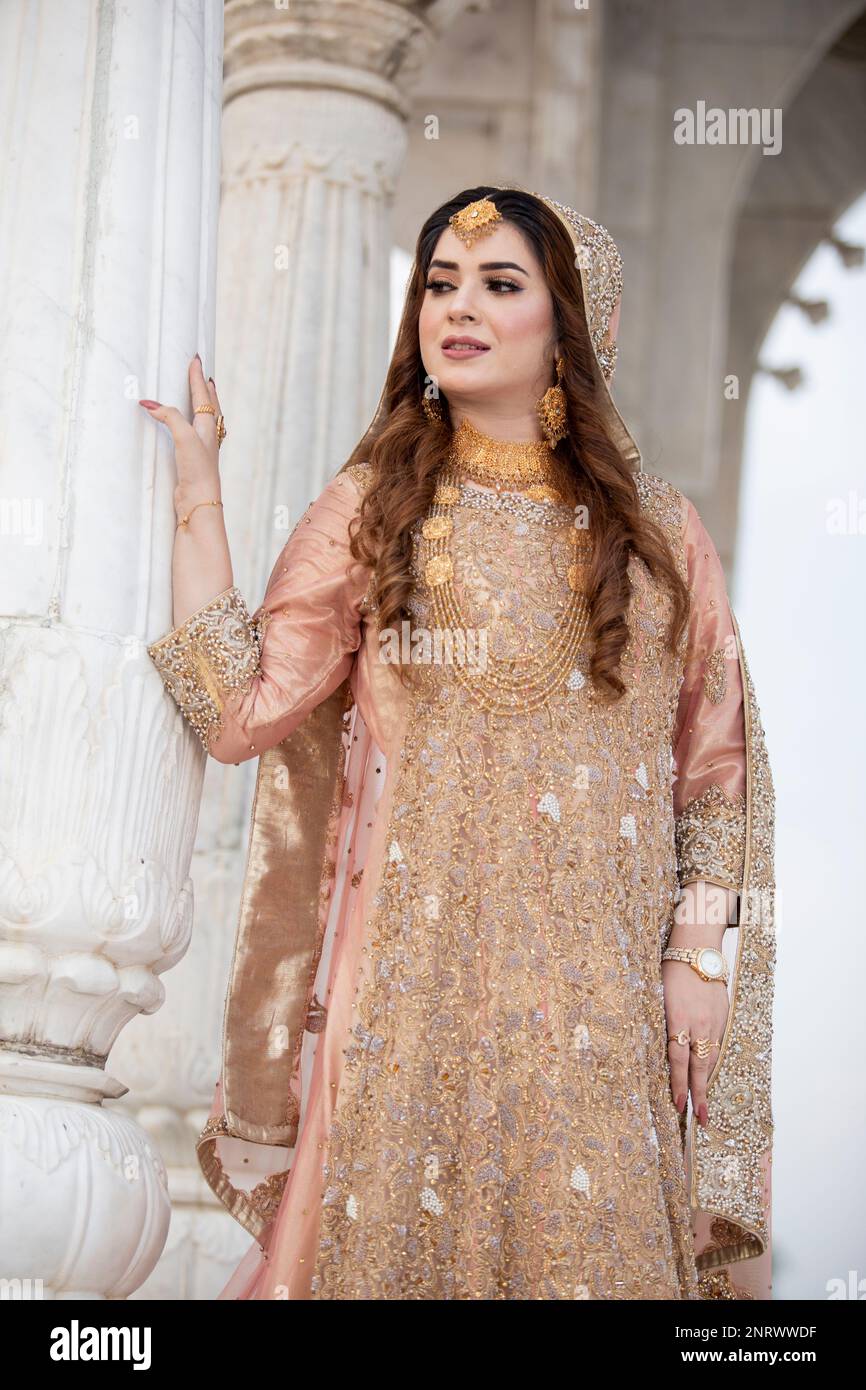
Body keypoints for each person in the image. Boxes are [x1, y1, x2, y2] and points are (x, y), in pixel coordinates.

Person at [142, 186, 776, 1301]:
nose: (456, 307)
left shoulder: (660, 539)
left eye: (497, 284)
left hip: (599, 1018)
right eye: (438, 284)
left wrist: (699, 952)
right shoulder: (371, 509)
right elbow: (238, 710)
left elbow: (712, 774)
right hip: (404, 1006)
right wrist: (200, 497)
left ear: (572, 325)